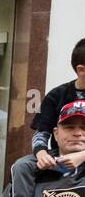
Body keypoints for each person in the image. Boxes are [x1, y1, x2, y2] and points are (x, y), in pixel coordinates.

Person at [31, 38, 85, 169]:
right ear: (81, 70)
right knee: (22, 165)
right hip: (61, 160)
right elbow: (41, 133)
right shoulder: (55, 96)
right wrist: (42, 154)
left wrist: (81, 156)